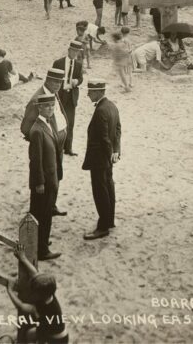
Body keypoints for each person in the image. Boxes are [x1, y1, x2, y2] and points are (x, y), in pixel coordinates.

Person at [21, 68, 68, 218]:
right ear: (47, 80)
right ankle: (37, 215)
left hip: (57, 144)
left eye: (60, 82)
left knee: (55, 177)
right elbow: (25, 127)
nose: (58, 85)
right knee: (41, 181)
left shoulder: (53, 93)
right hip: (48, 145)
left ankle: (51, 206)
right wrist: (42, 140)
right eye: (55, 82)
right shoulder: (38, 98)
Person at [82, 79, 121, 240]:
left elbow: (104, 137)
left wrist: (109, 152)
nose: (88, 94)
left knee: (100, 191)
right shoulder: (112, 106)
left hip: (99, 158)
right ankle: (110, 220)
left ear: (98, 92)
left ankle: (103, 226)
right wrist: (116, 151)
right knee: (109, 187)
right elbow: (118, 130)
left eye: (90, 92)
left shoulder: (100, 111)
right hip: (109, 157)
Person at [27, 94, 63, 261]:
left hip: (51, 177)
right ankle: (41, 250)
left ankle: (41, 243)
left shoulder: (47, 125)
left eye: (52, 106)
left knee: (44, 213)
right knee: (43, 215)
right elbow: (35, 160)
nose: (50, 109)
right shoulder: (36, 130)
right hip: (44, 181)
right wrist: (39, 182)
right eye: (47, 106)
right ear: (39, 108)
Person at [6, 245, 68, 344]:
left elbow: (21, 306)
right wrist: (23, 258)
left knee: (29, 335)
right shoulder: (49, 293)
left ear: (39, 295)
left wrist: (9, 289)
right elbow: (35, 274)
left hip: (54, 340)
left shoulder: (44, 308)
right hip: (60, 333)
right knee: (31, 331)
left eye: (33, 291)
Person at [53, 41, 85, 156]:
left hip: (71, 95)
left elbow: (81, 78)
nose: (75, 53)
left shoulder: (78, 65)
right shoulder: (58, 63)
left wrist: (77, 81)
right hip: (60, 95)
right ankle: (57, 147)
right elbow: (52, 78)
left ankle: (68, 148)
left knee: (70, 123)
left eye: (77, 52)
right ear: (69, 50)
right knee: (57, 121)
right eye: (73, 51)